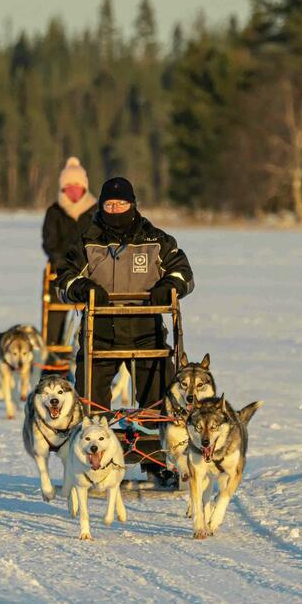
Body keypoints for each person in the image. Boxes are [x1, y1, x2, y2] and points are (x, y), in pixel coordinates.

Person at [55, 176, 194, 487]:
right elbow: (62, 280)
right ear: (101, 206)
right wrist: (83, 287)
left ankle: (158, 461)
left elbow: (184, 273)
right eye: (109, 204)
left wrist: (169, 286)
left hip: (146, 331)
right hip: (99, 332)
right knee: (92, 404)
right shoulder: (86, 242)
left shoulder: (155, 239)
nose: (115, 209)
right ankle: (93, 463)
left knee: (158, 402)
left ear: (133, 205)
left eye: (121, 204)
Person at [41, 157, 97, 360]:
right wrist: (62, 262)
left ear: (84, 187)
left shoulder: (94, 211)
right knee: (54, 308)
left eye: (77, 186)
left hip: (89, 270)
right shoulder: (54, 211)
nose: (73, 190)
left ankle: (84, 351)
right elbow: (49, 242)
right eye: (69, 186)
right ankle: (52, 354)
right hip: (59, 269)